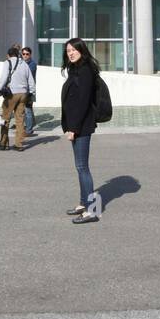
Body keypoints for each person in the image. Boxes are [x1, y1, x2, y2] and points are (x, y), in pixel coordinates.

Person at [60, 38, 101, 224]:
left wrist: (74, 128)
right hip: (76, 125)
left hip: (82, 126)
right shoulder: (75, 69)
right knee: (80, 166)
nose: (70, 53)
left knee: (83, 167)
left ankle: (92, 211)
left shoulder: (85, 70)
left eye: (74, 50)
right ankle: (84, 203)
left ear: (81, 50)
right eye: (68, 50)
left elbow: (83, 101)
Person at [0, 45, 34, 151]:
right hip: (23, 94)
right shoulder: (25, 64)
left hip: (12, 94)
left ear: (8, 55)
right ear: (18, 54)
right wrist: (31, 92)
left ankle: (4, 143)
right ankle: (19, 144)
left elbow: (4, 78)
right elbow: (30, 80)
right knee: (20, 120)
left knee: (5, 119)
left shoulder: (7, 63)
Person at [21, 46, 38, 136]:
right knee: (25, 110)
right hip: (21, 90)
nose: (25, 56)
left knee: (28, 110)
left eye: (27, 54)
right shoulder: (21, 63)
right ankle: (29, 126)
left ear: (30, 55)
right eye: (23, 54)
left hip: (29, 91)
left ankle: (29, 130)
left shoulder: (32, 64)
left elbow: (26, 75)